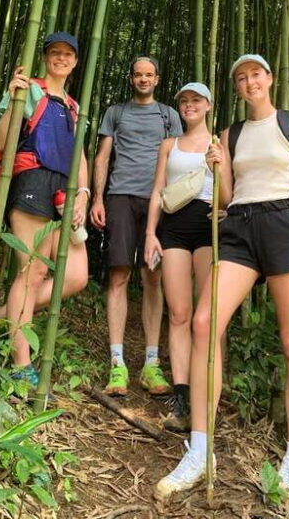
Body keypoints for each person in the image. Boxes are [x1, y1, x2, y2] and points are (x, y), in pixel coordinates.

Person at [155, 54, 289, 499]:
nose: (249, 82)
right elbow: (226, 198)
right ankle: (200, 451)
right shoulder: (229, 134)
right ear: (236, 87)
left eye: (256, 74)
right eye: (241, 77)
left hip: (285, 224)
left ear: (269, 79)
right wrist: (216, 164)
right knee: (203, 324)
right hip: (239, 226)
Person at [0, 31, 90, 387]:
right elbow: (1, 140)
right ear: (46, 57)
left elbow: (80, 156)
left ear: (75, 62)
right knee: (32, 272)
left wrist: (84, 192)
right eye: (54, 52)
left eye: (68, 54)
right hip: (32, 181)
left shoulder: (74, 106)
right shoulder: (29, 89)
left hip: (65, 191)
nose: (61, 58)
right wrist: (14, 98)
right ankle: (21, 364)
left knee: (75, 276)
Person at [90, 55, 182, 397]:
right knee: (118, 275)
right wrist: (97, 198)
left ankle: (151, 363)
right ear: (131, 78)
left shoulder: (169, 115)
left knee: (153, 277)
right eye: (138, 74)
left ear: (157, 79)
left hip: (158, 201)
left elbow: (180, 158)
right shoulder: (116, 112)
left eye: (149, 75)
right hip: (120, 197)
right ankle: (117, 363)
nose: (144, 79)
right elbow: (102, 157)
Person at [144, 82, 214, 432]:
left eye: (196, 100)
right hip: (173, 228)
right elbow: (158, 189)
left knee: (208, 315)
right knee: (179, 314)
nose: (189, 105)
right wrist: (150, 233)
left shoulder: (220, 142)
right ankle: (183, 396)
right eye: (184, 101)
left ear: (208, 105)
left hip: (209, 227)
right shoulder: (168, 145)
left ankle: (208, 395)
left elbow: (230, 189)